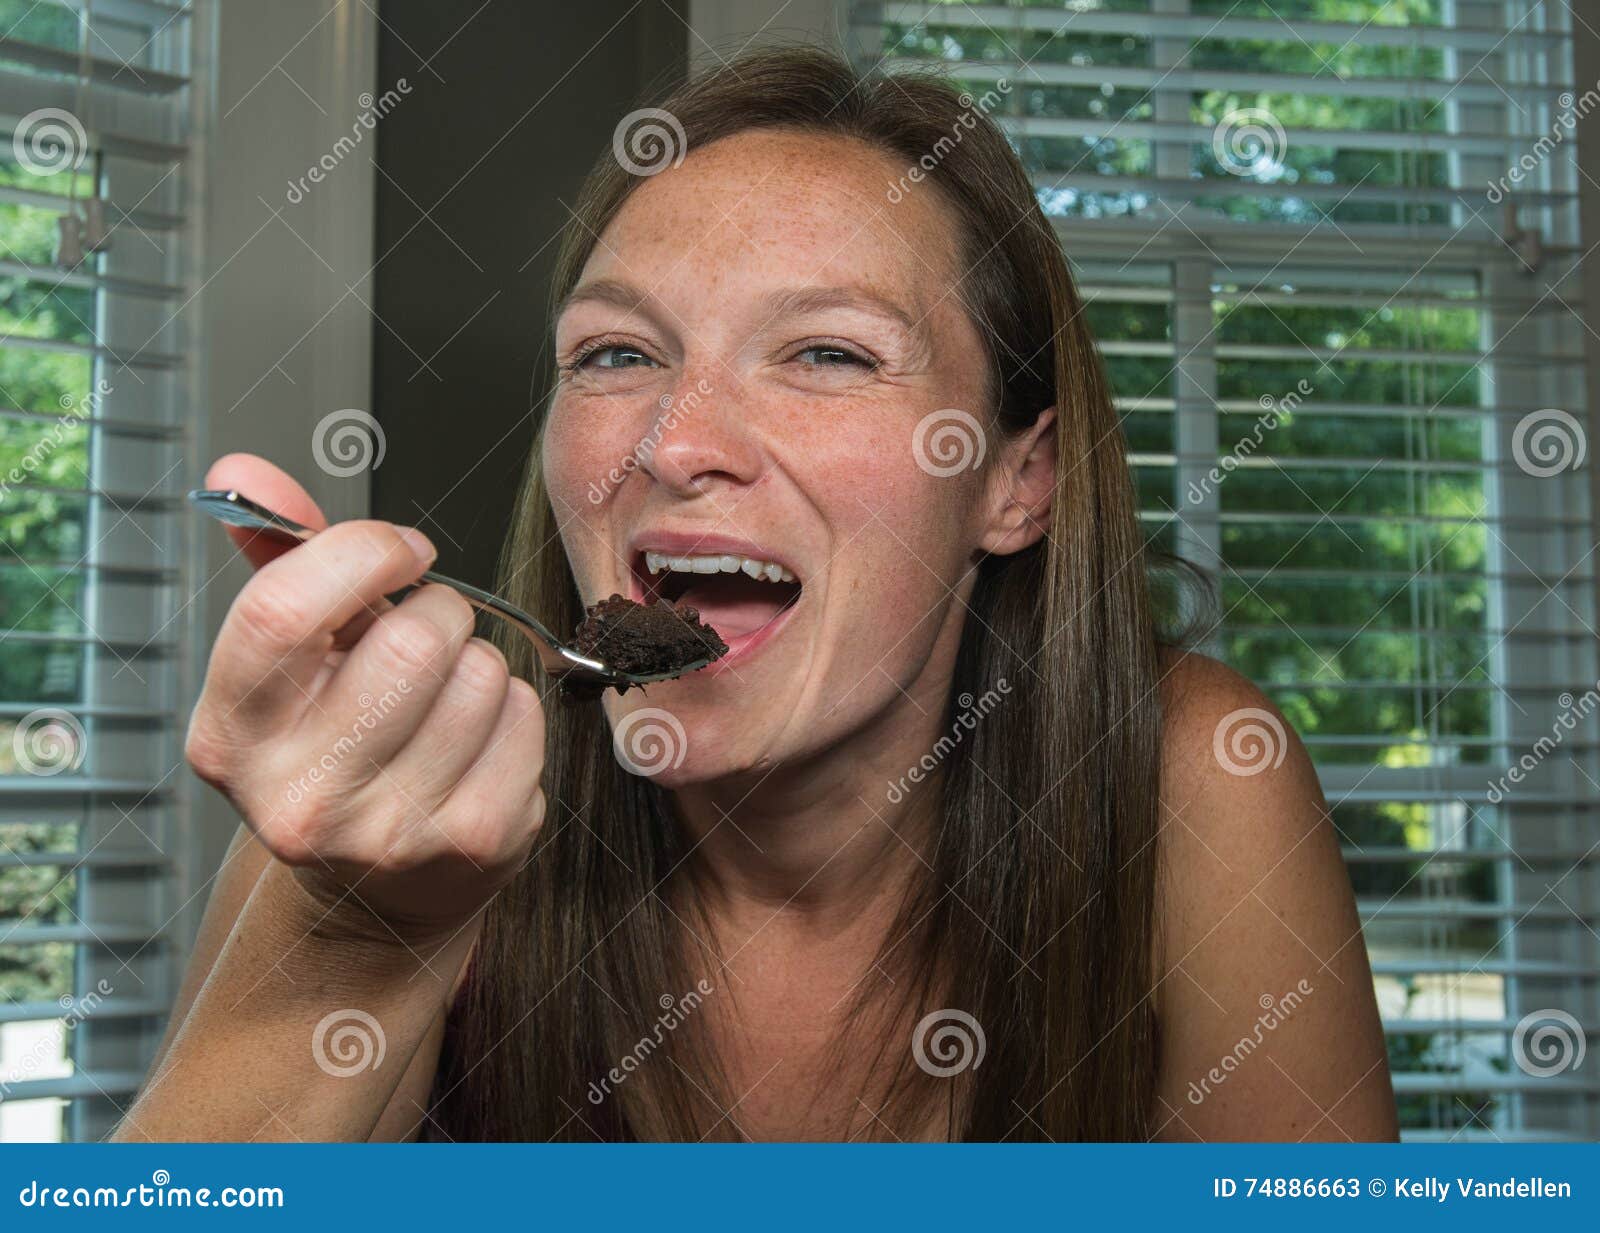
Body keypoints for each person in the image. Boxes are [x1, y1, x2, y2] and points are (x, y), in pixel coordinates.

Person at [119, 47, 1396, 1143]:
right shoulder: (398, 807)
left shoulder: (1188, 782)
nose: (674, 443)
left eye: (828, 353)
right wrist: (365, 938)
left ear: (1015, 480)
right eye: (617, 353)